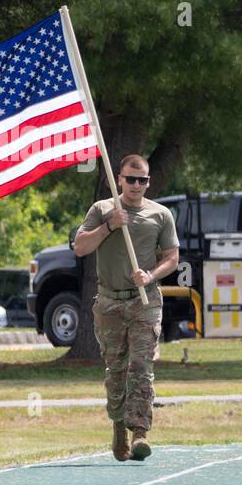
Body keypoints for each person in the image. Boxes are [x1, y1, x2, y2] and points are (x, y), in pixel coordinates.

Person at [73, 154, 179, 462]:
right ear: (119, 179)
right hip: (108, 302)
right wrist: (109, 226)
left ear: (149, 182)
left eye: (142, 180)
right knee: (116, 370)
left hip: (144, 301)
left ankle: (139, 434)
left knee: (141, 368)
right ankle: (118, 425)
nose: (135, 185)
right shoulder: (103, 209)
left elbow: (172, 257)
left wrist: (150, 275)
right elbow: (81, 247)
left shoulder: (160, 215)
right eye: (130, 179)